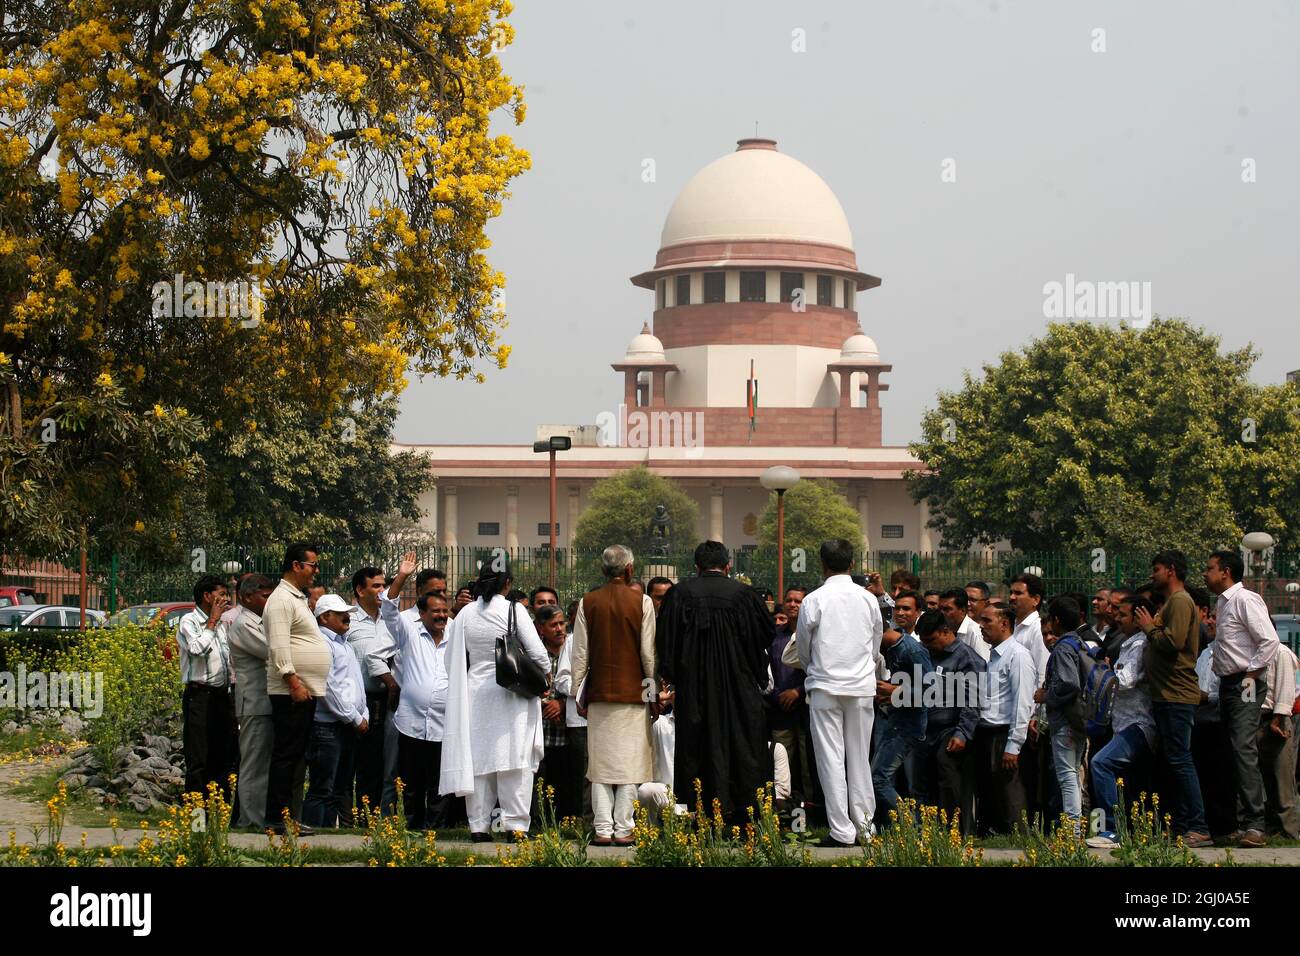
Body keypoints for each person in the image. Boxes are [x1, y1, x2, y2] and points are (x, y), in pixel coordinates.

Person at [657, 540, 775, 825]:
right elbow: (766, 636)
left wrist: (673, 677)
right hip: (740, 687)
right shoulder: (745, 595)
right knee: (742, 747)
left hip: (694, 688)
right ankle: (746, 818)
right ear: (728, 566)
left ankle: (701, 817)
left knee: (697, 748)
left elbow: (665, 642)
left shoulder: (680, 594)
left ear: (696, 567)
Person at [439, 559, 549, 841]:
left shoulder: (464, 614)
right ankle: (515, 827)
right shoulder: (514, 609)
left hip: (475, 692)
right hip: (511, 694)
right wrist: (543, 674)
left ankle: (478, 826)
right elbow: (538, 654)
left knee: (479, 761)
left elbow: (452, 655)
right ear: (508, 584)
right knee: (515, 758)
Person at [794, 539, 883, 847]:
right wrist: (861, 668)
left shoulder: (814, 599)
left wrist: (815, 669)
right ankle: (866, 828)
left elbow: (802, 649)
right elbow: (875, 644)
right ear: (852, 564)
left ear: (823, 564)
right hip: (860, 687)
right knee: (859, 757)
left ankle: (841, 831)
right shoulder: (868, 599)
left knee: (830, 759)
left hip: (824, 685)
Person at [571, 545, 657, 845]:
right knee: (630, 765)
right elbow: (648, 654)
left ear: (604, 571)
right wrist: (652, 692)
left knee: (600, 767)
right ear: (630, 570)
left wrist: (577, 693)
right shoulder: (642, 601)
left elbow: (579, 654)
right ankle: (624, 829)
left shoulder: (587, 602)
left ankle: (602, 829)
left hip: (598, 694)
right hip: (633, 694)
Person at [1205, 549, 1281, 848]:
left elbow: (1270, 640)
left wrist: (1251, 675)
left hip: (1244, 682)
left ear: (1225, 571)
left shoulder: (1245, 599)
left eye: (1210, 568)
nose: (1206, 573)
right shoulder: (1225, 603)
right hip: (1229, 683)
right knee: (1231, 751)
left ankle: (1256, 824)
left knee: (1243, 748)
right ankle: (1239, 822)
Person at [1136, 549, 1210, 846]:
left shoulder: (1180, 601)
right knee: (1175, 761)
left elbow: (1173, 643)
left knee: (1181, 761)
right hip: (1167, 694)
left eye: (1156, 569)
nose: (1152, 575)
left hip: (1176, 695)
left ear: (1170, 570)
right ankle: (1182, 825)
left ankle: (1198, 826)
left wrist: (1149, 628)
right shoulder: (1173, 602)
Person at [380, 553, 456, 830]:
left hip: (443, 725)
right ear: (421, 614)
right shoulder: (408, 632)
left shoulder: (455, 632)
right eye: (435, 612)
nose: (441, 616)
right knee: (411, 783)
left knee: (439, 783)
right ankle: (411, 828)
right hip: (411, 723)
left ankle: (435, 831)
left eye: (444, 611)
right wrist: (402, 576)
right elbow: (388, 607)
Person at [264, 542, 329, 835]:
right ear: (295, 565)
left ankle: (287, 816)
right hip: (291, 691)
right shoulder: (280, 599)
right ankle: (277, 818)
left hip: (304, 689)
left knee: (296, 757)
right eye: (312, 565)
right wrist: (292, 680)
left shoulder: (297, 598)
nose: (316, 571)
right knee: (287, 756)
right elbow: (278, 645)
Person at [1086, 594, 1157, 847]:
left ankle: (1111, 831)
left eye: (1124, 614)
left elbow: (1125, 680)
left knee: (1101, 764)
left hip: (1137, 723)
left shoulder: (1139, 645)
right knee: (1127, 781)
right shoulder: (1128, 643)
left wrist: (1104, 671)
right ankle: (1131, 831)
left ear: (1139, 619)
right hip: (1122, 723)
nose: (1117, 618)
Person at [913, 609, 985, 835]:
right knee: (924, 785)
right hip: (926, 730)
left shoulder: (967, 658)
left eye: (931, 640)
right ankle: (930, 833)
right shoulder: (927, 654)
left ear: (946, 632)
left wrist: (962, 733)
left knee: (951, 786)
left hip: (951, 731)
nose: (927, 645)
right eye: (924, 641)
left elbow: (973, 700)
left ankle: (957, 834)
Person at [303, 595, 369, 828]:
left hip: (348, 725)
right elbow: (328, 686)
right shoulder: (321, 643)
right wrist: (354, 717)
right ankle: (312, 835)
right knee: (322, 788)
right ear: (324, 617)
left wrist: (364, 713)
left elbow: (355, 682)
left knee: (339, 787)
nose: (347, 616)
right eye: (340, 613)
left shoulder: (344, 644)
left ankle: (328, 834)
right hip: (328, 727)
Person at [974, 605, 1035, 835]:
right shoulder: (994, 655)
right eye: (980, 620)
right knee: (992, 789)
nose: (981, 626)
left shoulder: (1017, 655)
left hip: (1003, 733)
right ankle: (998, 833)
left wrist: (1014, 745)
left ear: (1004, 624)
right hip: (988, 731)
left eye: (987, 621)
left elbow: (1022, 702)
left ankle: (1018, 838)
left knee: (1011, 790)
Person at [342, 566, 397, 823]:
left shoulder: (391, 620)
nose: (381, 591)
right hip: (356, 701)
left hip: (388, 700)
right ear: (359, 590)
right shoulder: (347, 621)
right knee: (355, 763)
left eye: (383, 585)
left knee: (382, 763)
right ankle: (349, 817)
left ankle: (376, 817)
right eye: (375, 586)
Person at [872, 612, 932, 826]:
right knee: (879, 778)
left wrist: (894, 690)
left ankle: (913, 829)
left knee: (878, 779)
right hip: (895, 723)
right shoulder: (892, 649)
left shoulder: (911, 650)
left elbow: (931, 691)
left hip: (908, 728)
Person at [178, 575, 234, 799]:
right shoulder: (189, 622)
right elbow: (197, 650)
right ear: (206, 596)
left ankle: (218, 811)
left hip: (220, 695)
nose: (225, 599)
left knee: (221, 754)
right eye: (221, 594)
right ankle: (195, 815)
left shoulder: (221, 625)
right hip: (199, 696)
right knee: (198, 755)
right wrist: (211, 622)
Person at [1036, 596, 1088, 831]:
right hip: (1078, 718)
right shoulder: (1079, 643)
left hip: (1065, 721)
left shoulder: (1063, 648)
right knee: (1073, 774)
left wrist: (1047, 696)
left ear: (1056, 620)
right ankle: (1074, 826)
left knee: (1067, 776)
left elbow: (1069, 684)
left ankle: (1072, 830)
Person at [228, 574, 275, 828]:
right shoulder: (244, 624)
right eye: (265, 596)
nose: (269, 601)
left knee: (263, 764)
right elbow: (272, 650)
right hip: (254, 702)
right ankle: (250, 820)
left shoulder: (259, 620)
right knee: (254, 764)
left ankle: (258, 816)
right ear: (247, 597)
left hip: (264, 701)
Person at [768, 586, 818, 808]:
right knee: (782, 761)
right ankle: (784, 807)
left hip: (807, 707)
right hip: (780, 708)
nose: (792, 604)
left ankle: (810, 806)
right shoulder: (774, 636)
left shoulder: (814, 635)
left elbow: (818, 670)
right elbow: (768, 671)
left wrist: (798, 691)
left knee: (809, 762)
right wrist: (780, 695)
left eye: (798, 601)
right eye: (789, 600)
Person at [1192, 600, 1237, 841]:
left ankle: (1225, 828)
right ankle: (1207, 826)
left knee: (1221, 778)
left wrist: (1205, 697)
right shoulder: (1205, 651)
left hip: (1218, 722)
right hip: (1199, 722)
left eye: (1215, 617)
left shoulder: (1230, 653)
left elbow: (1227, 693)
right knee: (1204, 777)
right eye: (1209, 616)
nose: (1210, 621)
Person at [533, 604, 575, 819]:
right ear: (541, 629)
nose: (560, 629)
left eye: (562, 624)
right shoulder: (535, 654)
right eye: (553, 625)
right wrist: (547, 704)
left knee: (567, 782)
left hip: (568, 732)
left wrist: (562, 704)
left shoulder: (576, 650)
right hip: (543, 730)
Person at [1258, 641, 1299, 839]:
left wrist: (1280, 716)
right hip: (1257, 718)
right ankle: (1271, 826)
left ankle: (1289, 831)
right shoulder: (1255, 653)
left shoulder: (1281, 652)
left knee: (1282, 778)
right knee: (1265, 779)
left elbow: (1286, 689)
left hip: (1277, 718)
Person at [939, 588, 989, 661]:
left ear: (962, 610)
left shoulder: (975, 633)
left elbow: (983, 665)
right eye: (940, 608)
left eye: (947, 609)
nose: (942, 613)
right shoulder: (942, 629)